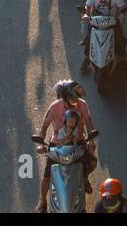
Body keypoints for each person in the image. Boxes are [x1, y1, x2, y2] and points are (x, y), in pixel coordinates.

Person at [35, 80, 97, 213]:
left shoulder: (82, 105)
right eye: (73, 99)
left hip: (78, 143)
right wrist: (41, 143)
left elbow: (89, 124)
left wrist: (91, 142)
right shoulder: (55, 107)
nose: (76, 102)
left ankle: (84, 178)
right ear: (65, 98)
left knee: (92, 162)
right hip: (57, 145)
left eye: (77, 99)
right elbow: (44, 127)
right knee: (47, 176)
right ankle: (42, 201)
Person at [81, 0, 127, 73]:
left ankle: (122, 60)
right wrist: (87, 14)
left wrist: (120, 14)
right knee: (89, 35)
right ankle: (87, 57)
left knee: (118, 37)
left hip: (111, 18)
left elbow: (121, 5)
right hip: (96, 18)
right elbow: (88, 5)